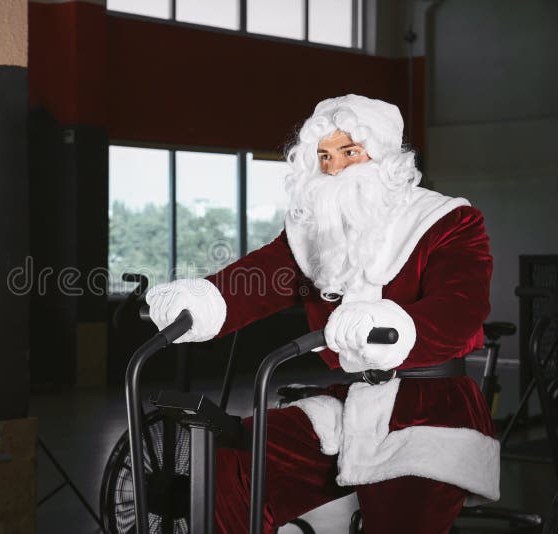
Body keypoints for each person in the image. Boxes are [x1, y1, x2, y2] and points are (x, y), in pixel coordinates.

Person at [146, 94, 499, 534]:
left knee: (399, 514)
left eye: (350, 152)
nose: (335, 169)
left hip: (432, 406)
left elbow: (461, 310)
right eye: (325, 156)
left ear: (384, 156)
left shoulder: (446, 220)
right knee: (236, 458)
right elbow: (260, 277)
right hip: (351, 400)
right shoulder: (319, 231)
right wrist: (202, 300)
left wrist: (391, 325)